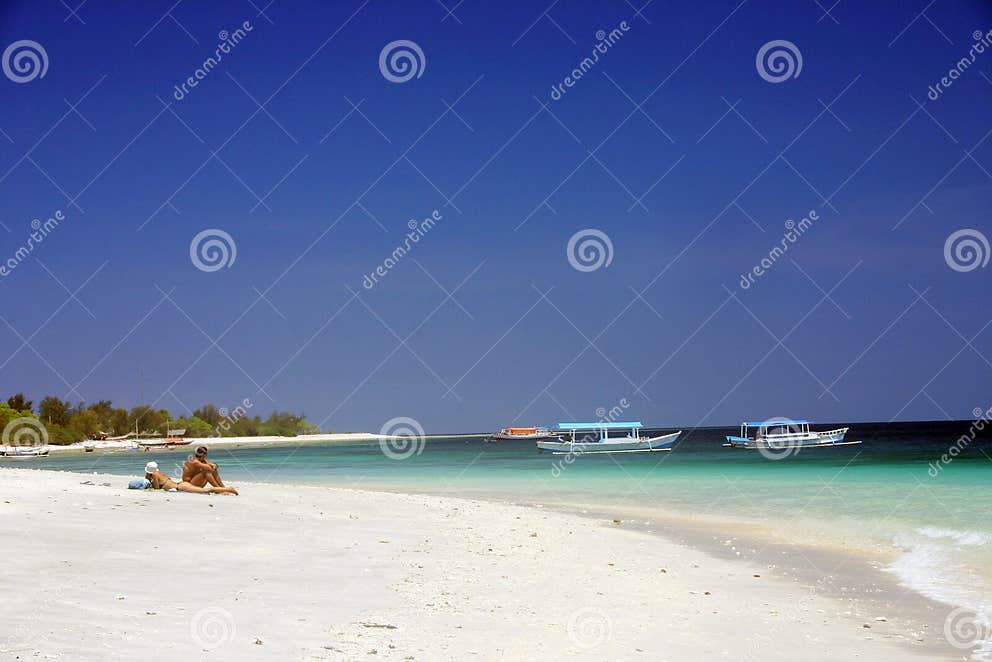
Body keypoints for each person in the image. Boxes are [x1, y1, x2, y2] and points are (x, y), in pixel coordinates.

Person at [144, 461, 238, 496]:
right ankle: (225, 491)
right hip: (181, 484)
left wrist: (148, 480)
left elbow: (156, 489)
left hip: (181, 487)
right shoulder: (159, 473)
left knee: (205, 491)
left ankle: (229, 489)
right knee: (204, 490)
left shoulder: (155, 475)